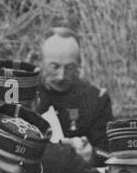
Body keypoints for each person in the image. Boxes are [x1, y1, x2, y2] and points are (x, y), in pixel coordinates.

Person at [32, 27, 114, 162]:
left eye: (70, 67)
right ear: (40, 61)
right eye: (54, 67)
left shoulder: (95, 99)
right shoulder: (24, 94)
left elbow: (108, 153)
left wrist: (91, 155)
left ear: (78, 64)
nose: (61, 76)